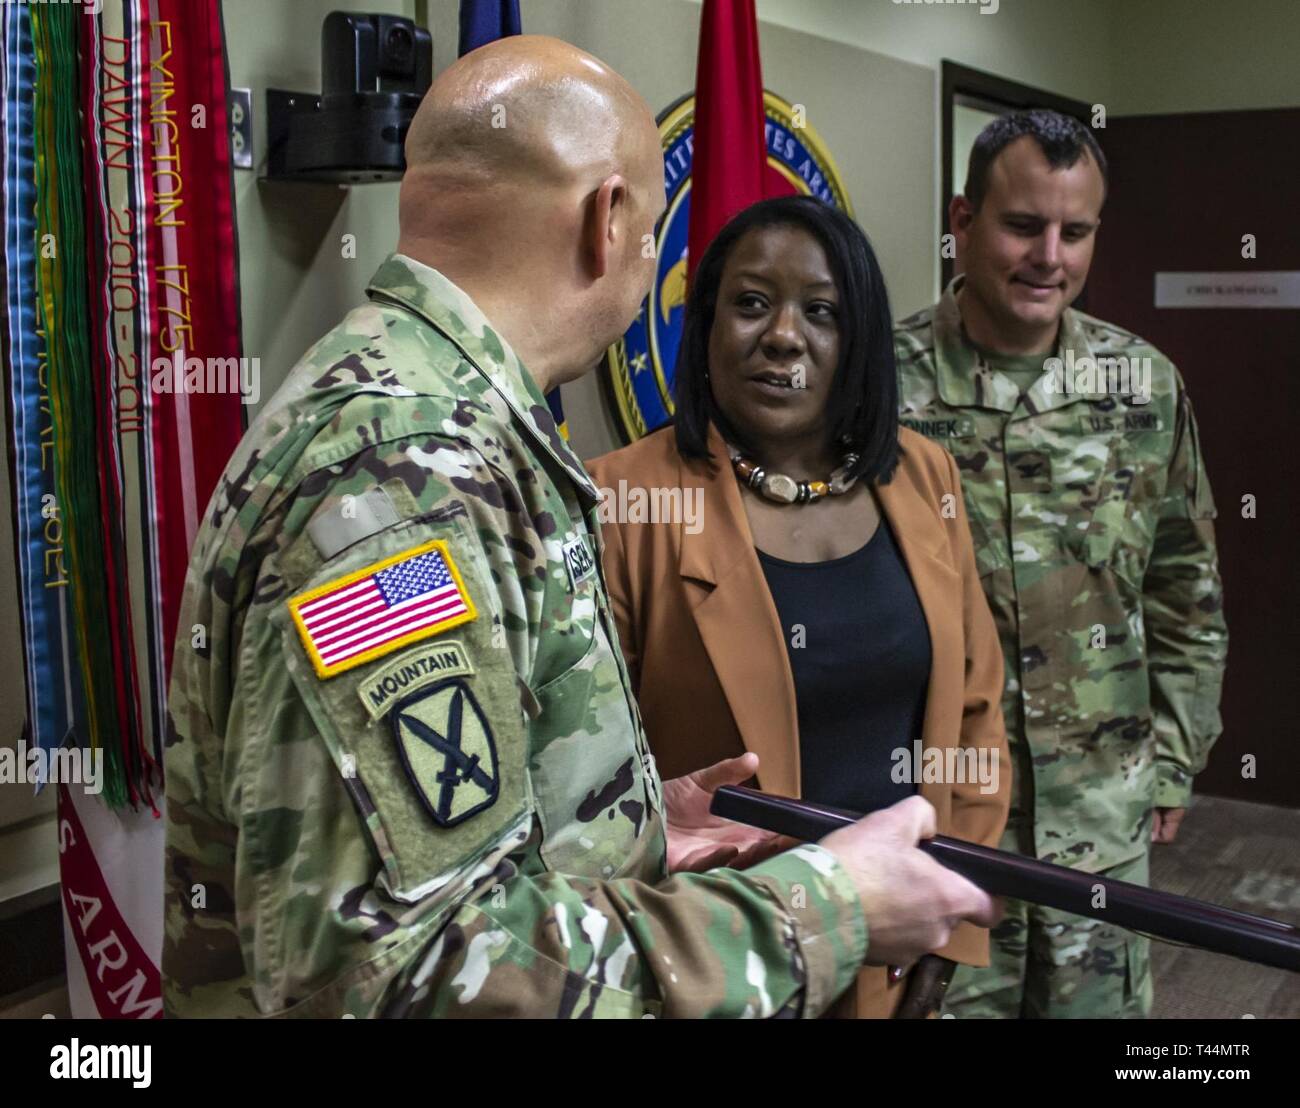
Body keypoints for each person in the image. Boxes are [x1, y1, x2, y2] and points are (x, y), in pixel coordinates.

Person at [161, 35, 997, 1019]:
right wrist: (824, 907)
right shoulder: (401, 478)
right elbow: (415, 977)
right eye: (655, 243)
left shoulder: (434, 425)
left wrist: (618, 829)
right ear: (608, 220)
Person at [588, 197, 1010, 1018]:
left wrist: (951, 918)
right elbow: (589, 787)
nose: (783, 334)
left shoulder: (925, 477)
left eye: (821, 311)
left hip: (892, 941)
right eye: (750, 303)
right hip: (721, 953)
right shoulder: (622, 499)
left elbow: (977, 709)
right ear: (702, 325)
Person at [895, 109, 1228, 1018]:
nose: (1050, 256)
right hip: (943, 817)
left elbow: (1184, 585)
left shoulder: (1143, 385)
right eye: (1021, 225)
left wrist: (1175, 757)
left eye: (1075, 232)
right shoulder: (882, 387)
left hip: (1101, 818)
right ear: (961, 222)